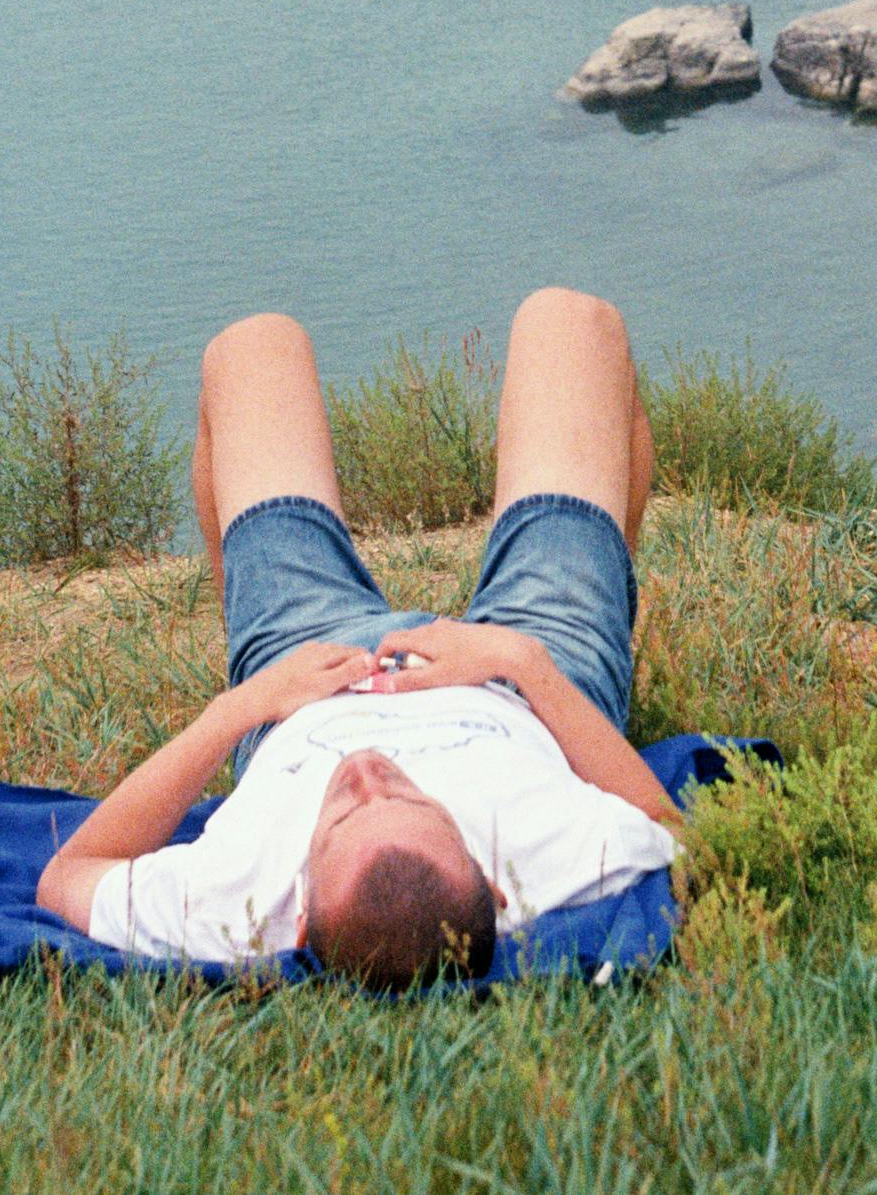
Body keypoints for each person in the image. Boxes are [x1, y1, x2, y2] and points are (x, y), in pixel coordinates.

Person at [36, 288, 681, 986]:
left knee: (251, 346)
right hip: (519, 674)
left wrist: (243, 704)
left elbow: (68, 873)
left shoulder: (234, 901)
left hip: (303, 674)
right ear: (495, 887)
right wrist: (516, 658)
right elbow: (668, 827)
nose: (368, 770)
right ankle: (607, 579)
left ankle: (246, 625)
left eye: (343, 815)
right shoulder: (549, 856)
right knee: (573, 322)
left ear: (300, 920)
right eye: (409, 799)